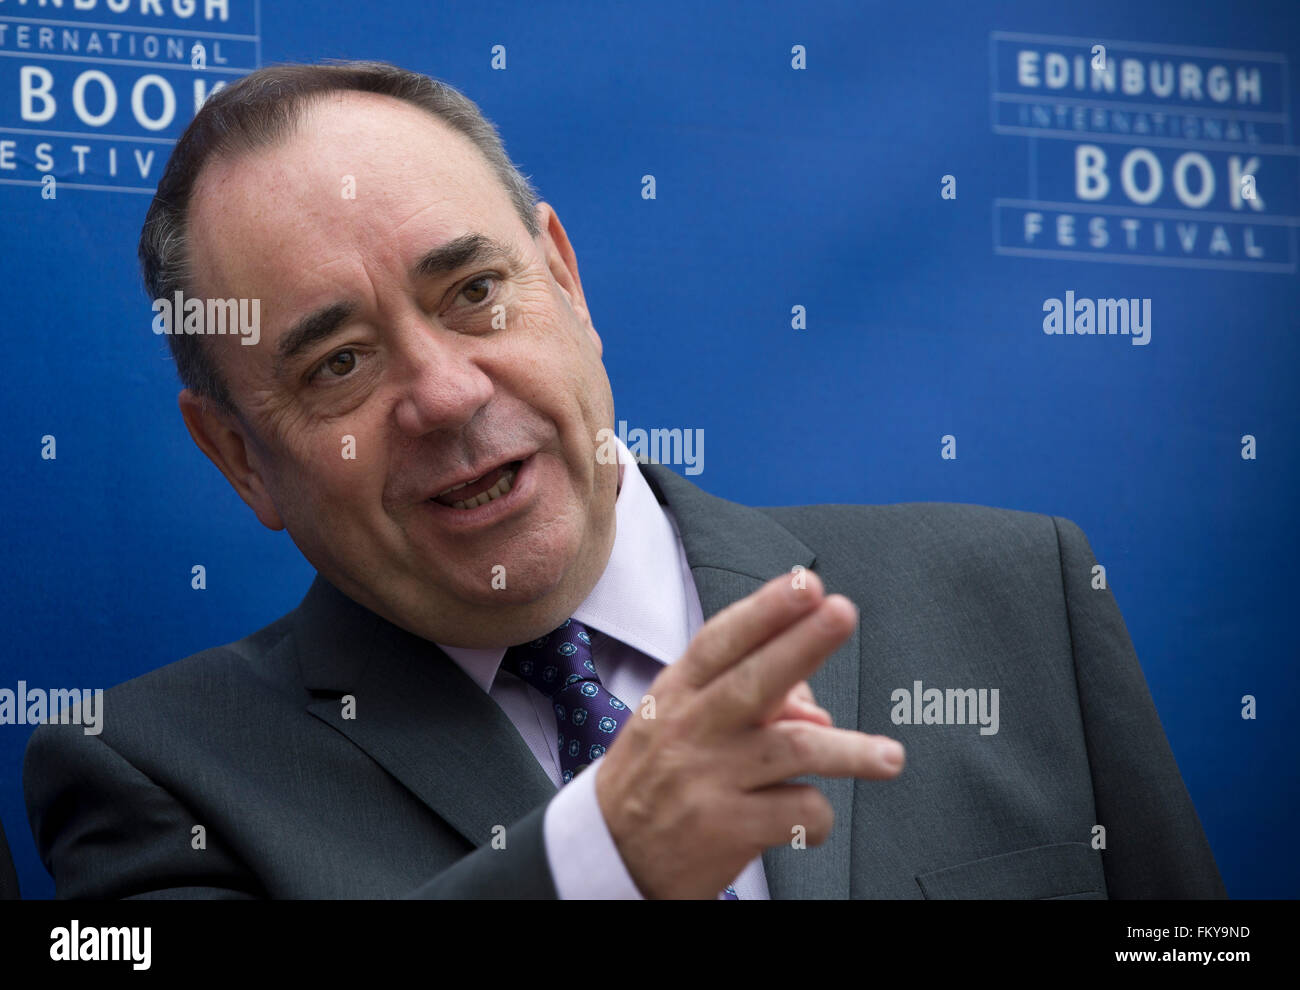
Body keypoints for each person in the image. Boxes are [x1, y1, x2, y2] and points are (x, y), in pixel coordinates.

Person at [24, 61, 1225, 899]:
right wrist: (599, 863)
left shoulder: (1021, 597)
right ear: (240, 456)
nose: (444, 393)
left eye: (475, 293)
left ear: (565, 277)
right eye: (337, 362)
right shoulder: (150, 776)